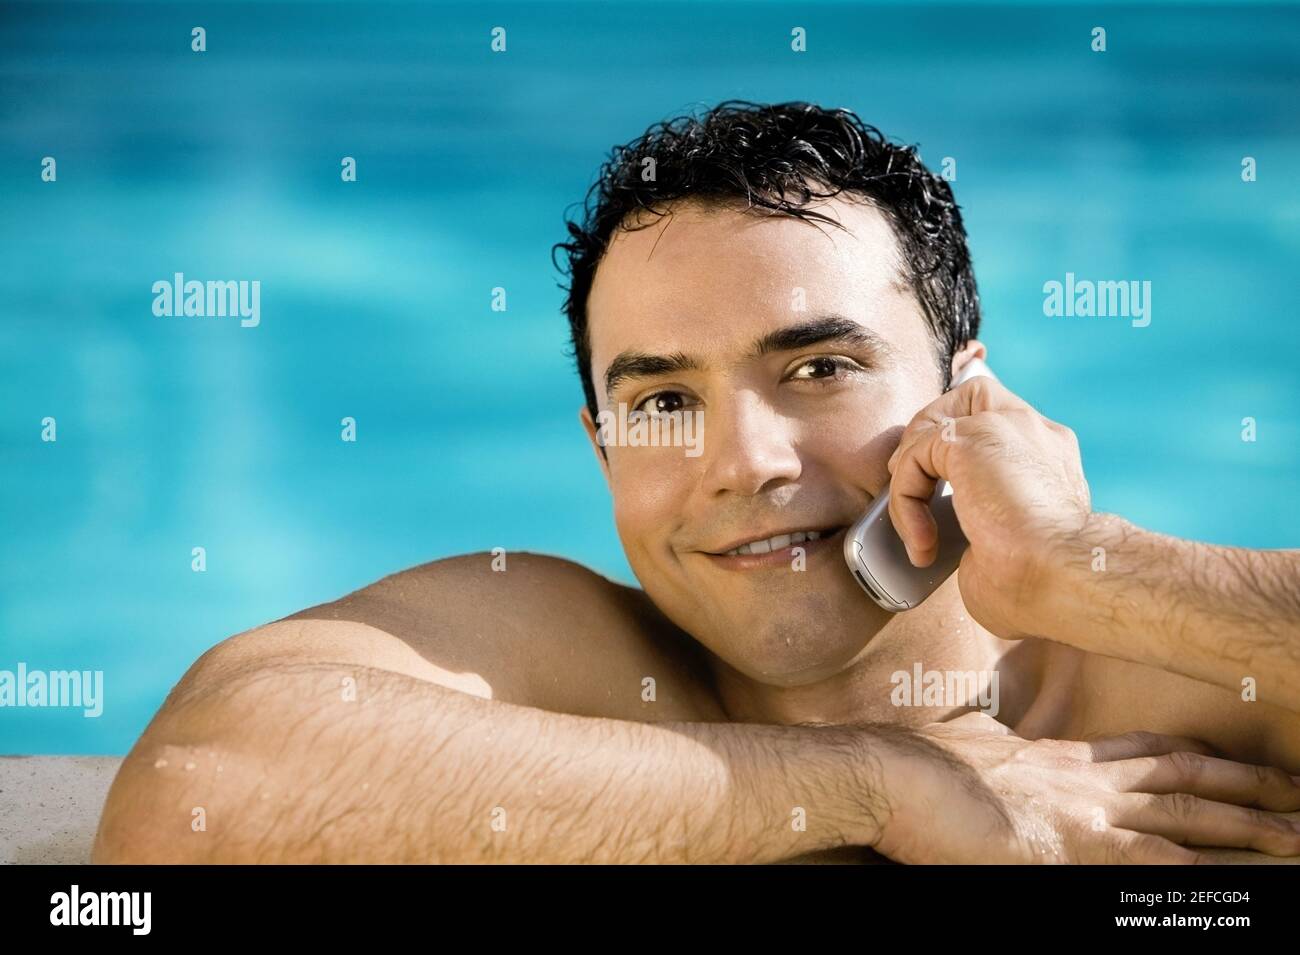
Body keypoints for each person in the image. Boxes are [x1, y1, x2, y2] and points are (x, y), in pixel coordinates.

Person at [92, 101, 1300, 865]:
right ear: (602, 447)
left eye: (820, 367)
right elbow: (197, 795)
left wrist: (1085, 566)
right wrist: (881, 783)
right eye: (663, 401)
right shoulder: (572, 657)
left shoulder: (1158, 705)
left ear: (967, 399)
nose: (745, 464)